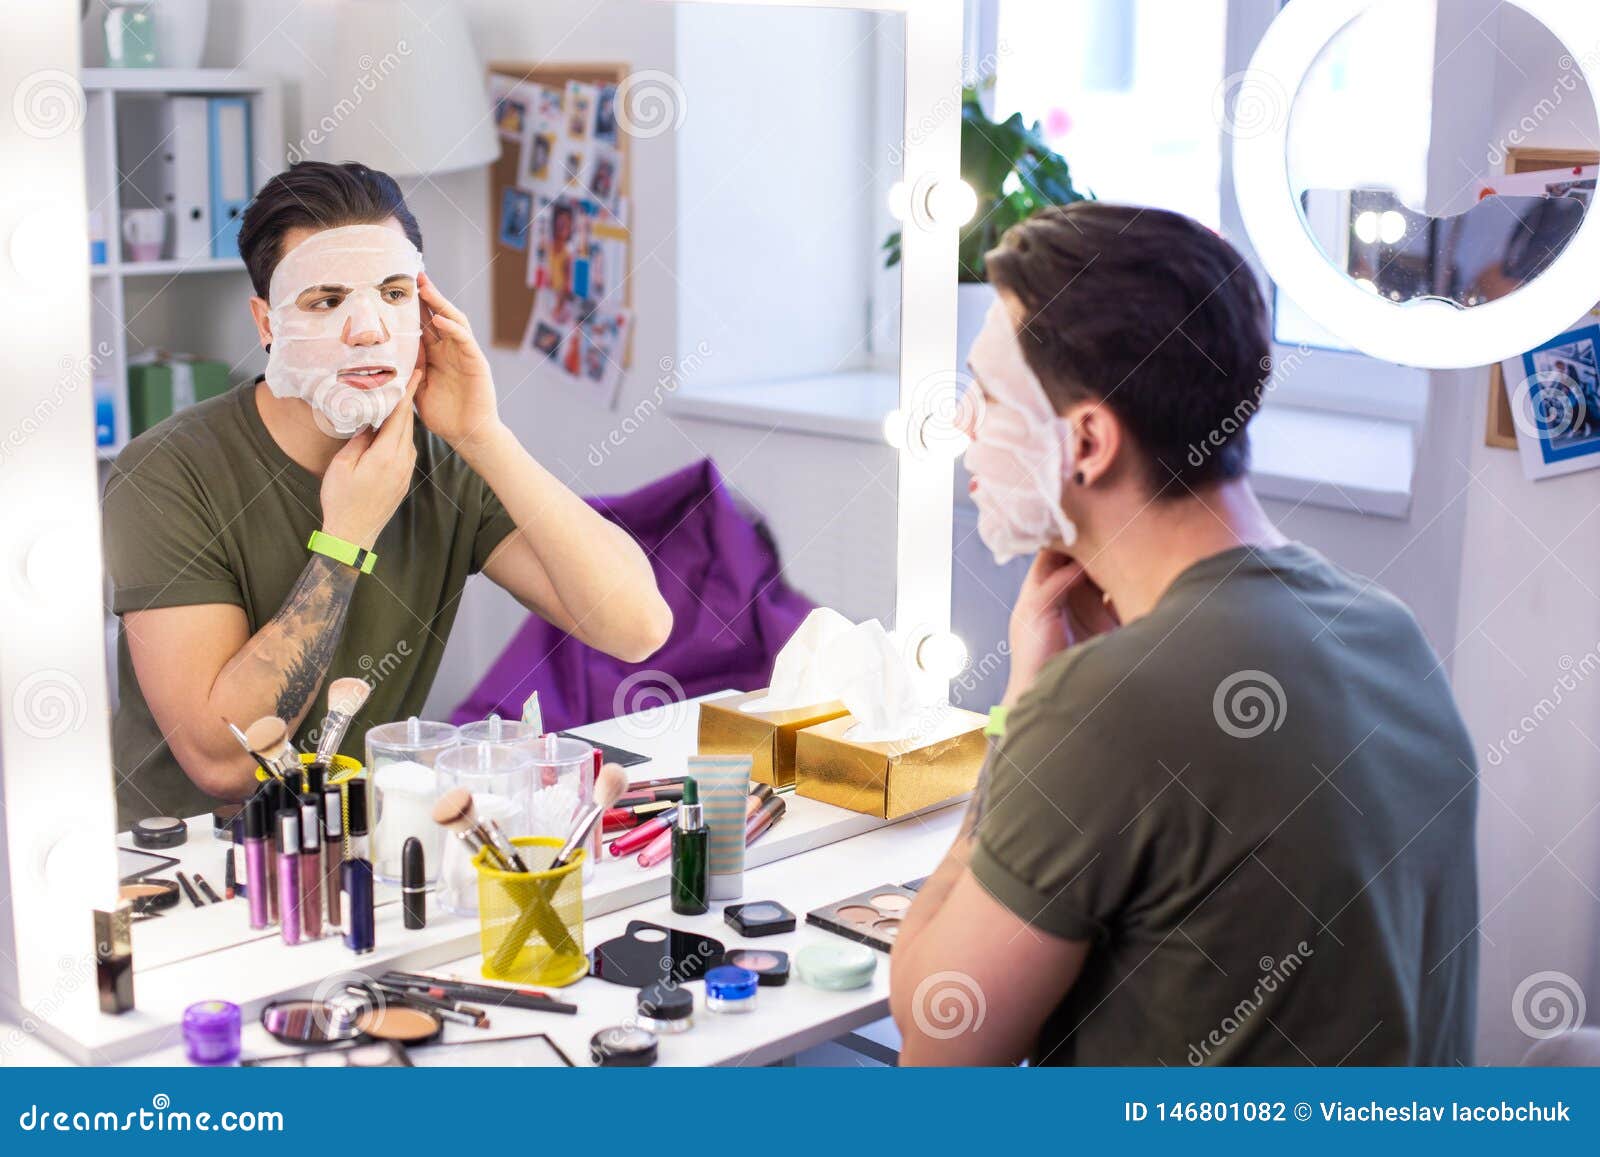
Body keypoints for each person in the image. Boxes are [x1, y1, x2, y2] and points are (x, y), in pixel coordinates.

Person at [889, 203, 1478, 1066]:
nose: (965, 426)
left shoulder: (1110, 703)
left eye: (985, 393)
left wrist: (1022, 710)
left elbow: (937, 1040)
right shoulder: (1389, 634)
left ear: (1086, 440)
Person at [103, 161, 673, 825]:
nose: (369, 328)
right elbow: (226, 764)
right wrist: (345, 540)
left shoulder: (447, 457)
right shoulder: (165, 474)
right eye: (326, 301)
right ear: (267, 322)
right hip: (189, 869)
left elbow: (638, 627)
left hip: (359, 844)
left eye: (395, 293)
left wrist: (485, 436)